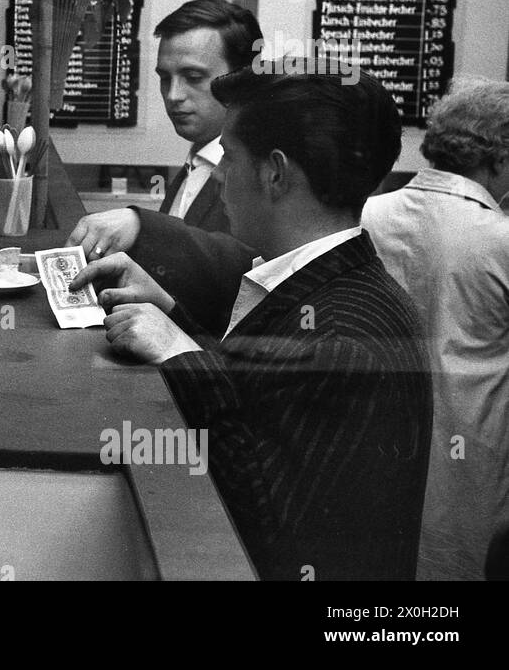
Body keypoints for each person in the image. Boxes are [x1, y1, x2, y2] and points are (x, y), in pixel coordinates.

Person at [70, 62, 432, 580]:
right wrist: (171, 314)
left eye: (229, 157)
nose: (218, 174)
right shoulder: (324, 282)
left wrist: (181, 355)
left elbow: (268, 525)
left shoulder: (346, 334)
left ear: (276, 172)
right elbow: (260, 402)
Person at [361, 76, 509, 580]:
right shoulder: (500, 240)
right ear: (500, 159)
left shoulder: (366, 216)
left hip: (371, 460)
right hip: (470, 473)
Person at [65, 0, 262, 329]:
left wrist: (143, 225)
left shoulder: (262, 170)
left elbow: (252, 267)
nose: (173, 95)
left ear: (243, 79)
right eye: (164, 77)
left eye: (193, 77)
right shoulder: (197, 159)